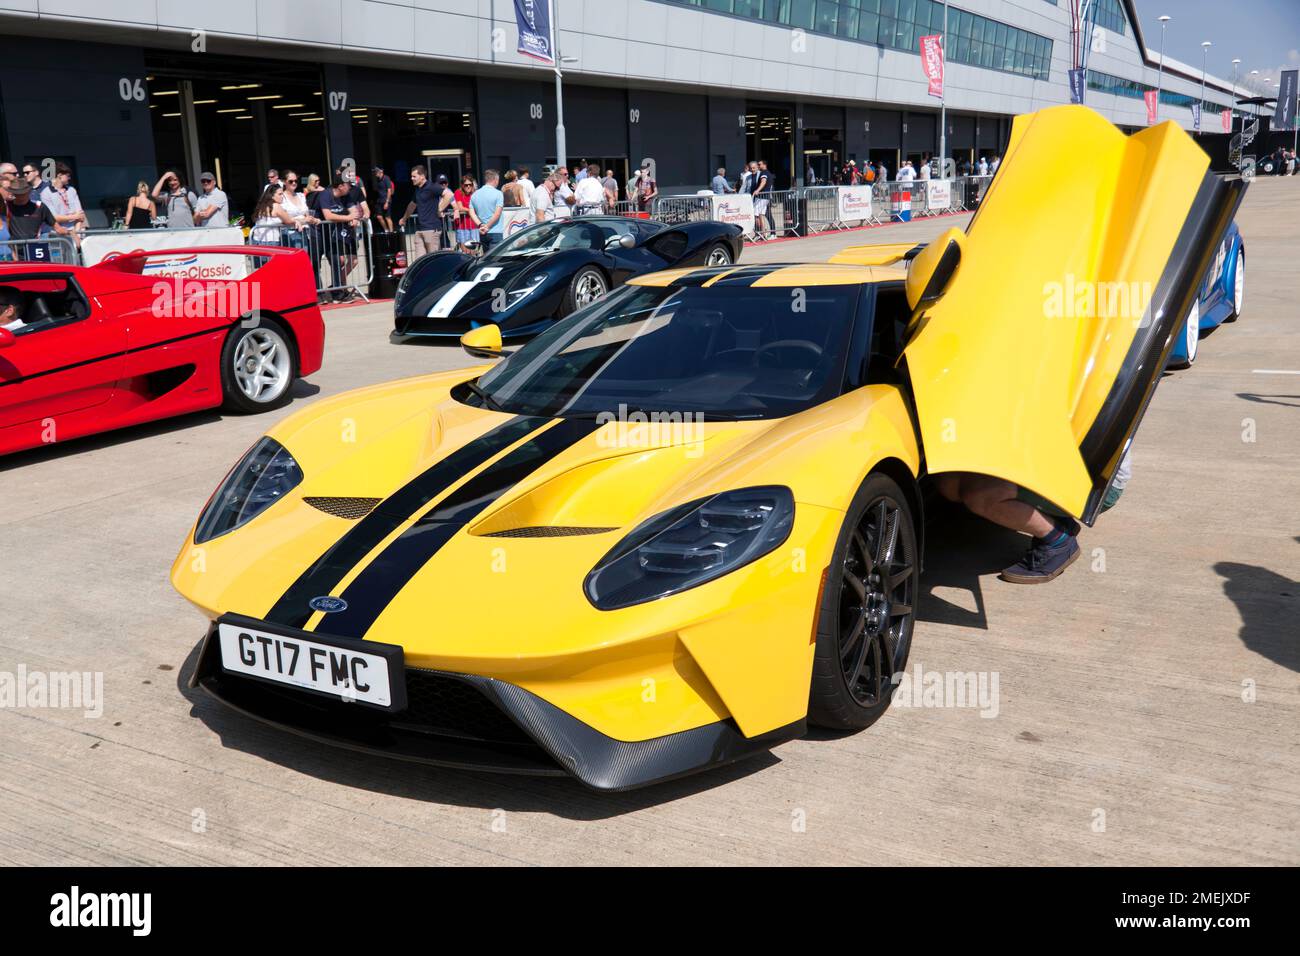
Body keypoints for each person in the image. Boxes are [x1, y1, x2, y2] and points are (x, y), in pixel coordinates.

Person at [936, 474, 1081, 584]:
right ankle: (1058, 518)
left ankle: (1058, 540)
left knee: (979, 495)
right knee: (950, 483)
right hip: (1064, 466)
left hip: (1084, 477)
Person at [318, 177, 361, 301]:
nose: (350, 187)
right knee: (336, 261)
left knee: (340, 262)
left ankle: (338, 289)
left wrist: (354, 218)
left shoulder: (346, 195)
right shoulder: (326, 194)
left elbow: (354, 212)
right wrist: (349, 218)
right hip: (321, 234)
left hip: (341, 234)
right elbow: (328, 215)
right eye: (348, 185)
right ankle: (328, 292)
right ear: (340, 186)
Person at [398, 164, 451, 258]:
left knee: (433, 261)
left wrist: (439, 209)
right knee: (420, 262)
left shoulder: (432, 187)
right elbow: (412, 205)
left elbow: (449, 195)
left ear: (422, 176)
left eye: (414, 176)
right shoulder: (418, 190)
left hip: (432, 230)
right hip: (419, 230)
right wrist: (404, 218)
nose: (412, 178)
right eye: (411, 176)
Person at [41, 163, 86, 240]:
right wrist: (74, 216)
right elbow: (53, 218)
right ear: (59, 175)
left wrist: (77, 234)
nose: (69, 178)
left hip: (76, 233)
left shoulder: (72, 190)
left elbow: (80, 215)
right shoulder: (46, 193)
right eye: (68, 176)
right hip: (57, 236)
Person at [471, 168, 505, 252]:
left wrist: (480, 225)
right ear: (495, 180)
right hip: (495, 231)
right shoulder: (498, 193)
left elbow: (471, 212)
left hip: (482, 231)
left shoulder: (475, 194)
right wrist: (487, 226)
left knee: (486, 258)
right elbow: (497, 214)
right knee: (495, 260)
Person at [752, 160, 773, 238]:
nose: (758, 165)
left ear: (764, 165)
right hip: (765, 197)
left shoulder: (764, 173)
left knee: (755, 214)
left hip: (762, 197)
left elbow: (763, 182)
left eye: (759, 164)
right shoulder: (768, 173)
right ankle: (764, 233)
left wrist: (757, 190)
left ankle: (760, 232)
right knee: (761, 215)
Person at [371, 166, 394, 232]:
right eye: (374, 171)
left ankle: (391, 232)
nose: (375, 173)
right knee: (379, 217)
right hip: (379, 201)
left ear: (381, 171)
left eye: (376, 171)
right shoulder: (378, 179)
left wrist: (387, 202)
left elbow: (389, 191)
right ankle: (386, 230)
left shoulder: (386, 178)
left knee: (387, 217)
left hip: (386, 201)